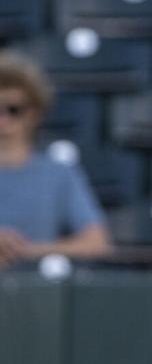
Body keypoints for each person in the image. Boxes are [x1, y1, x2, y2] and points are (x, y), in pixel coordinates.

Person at [0, 52, 111, 269]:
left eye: (13, 110)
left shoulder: (58, 174)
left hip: (36, 291)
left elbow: (97, 242)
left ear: (33, 114)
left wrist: (24, 251)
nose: (3, 120)